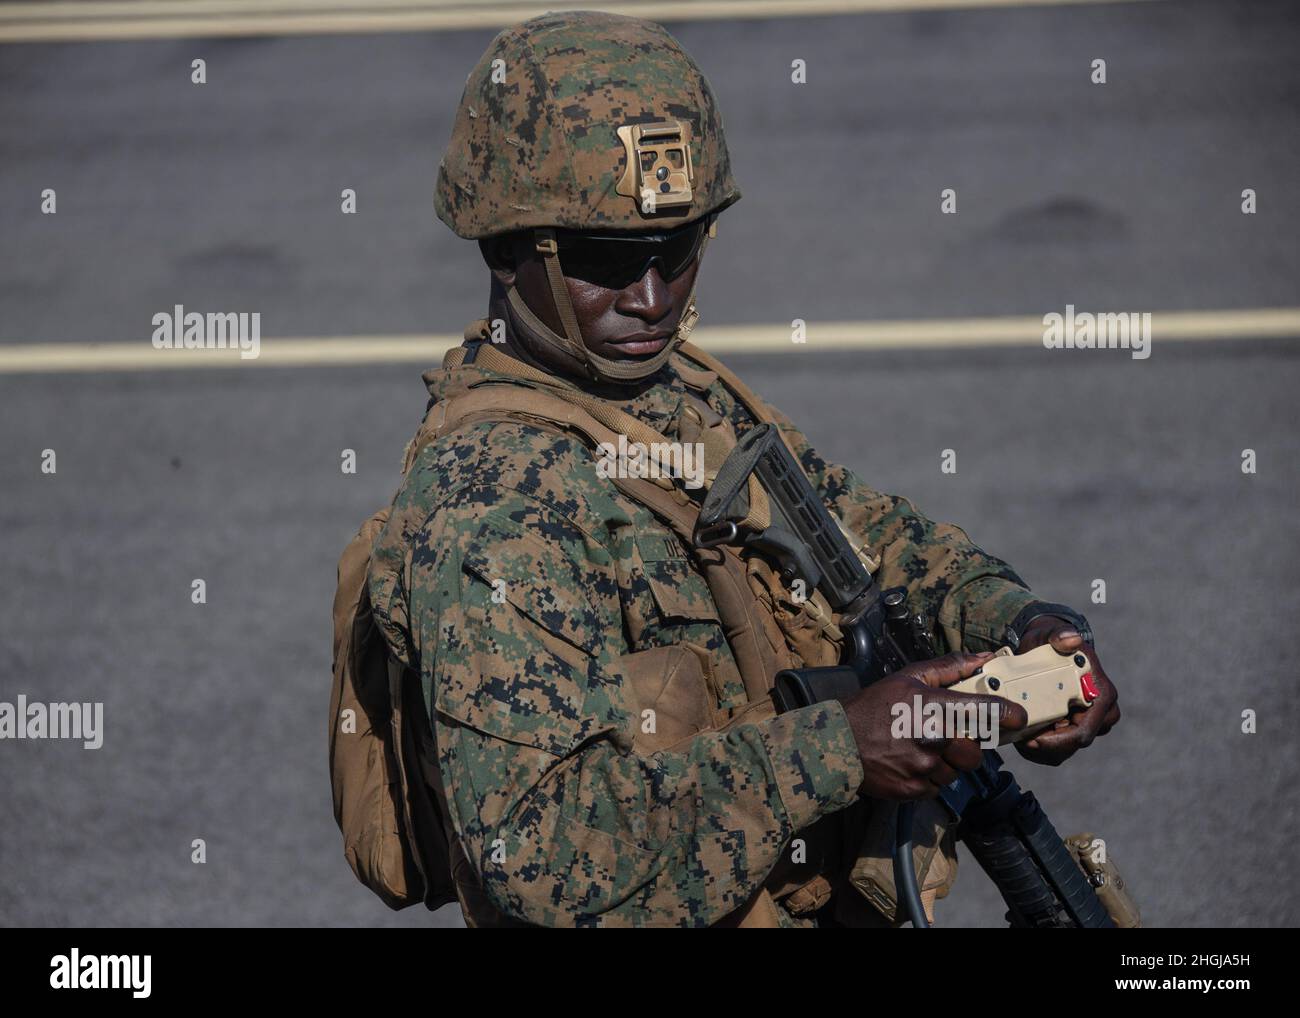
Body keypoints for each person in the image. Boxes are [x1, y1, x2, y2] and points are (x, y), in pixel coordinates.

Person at [368, 9, 1120, 928]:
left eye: (676, 251)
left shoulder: (670, 390)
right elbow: (541, 852)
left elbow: (863, 536)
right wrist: (842, 751)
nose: (649, 299)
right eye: (607, 260)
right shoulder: (492, 508)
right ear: (506, 244)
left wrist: (1024, 628)